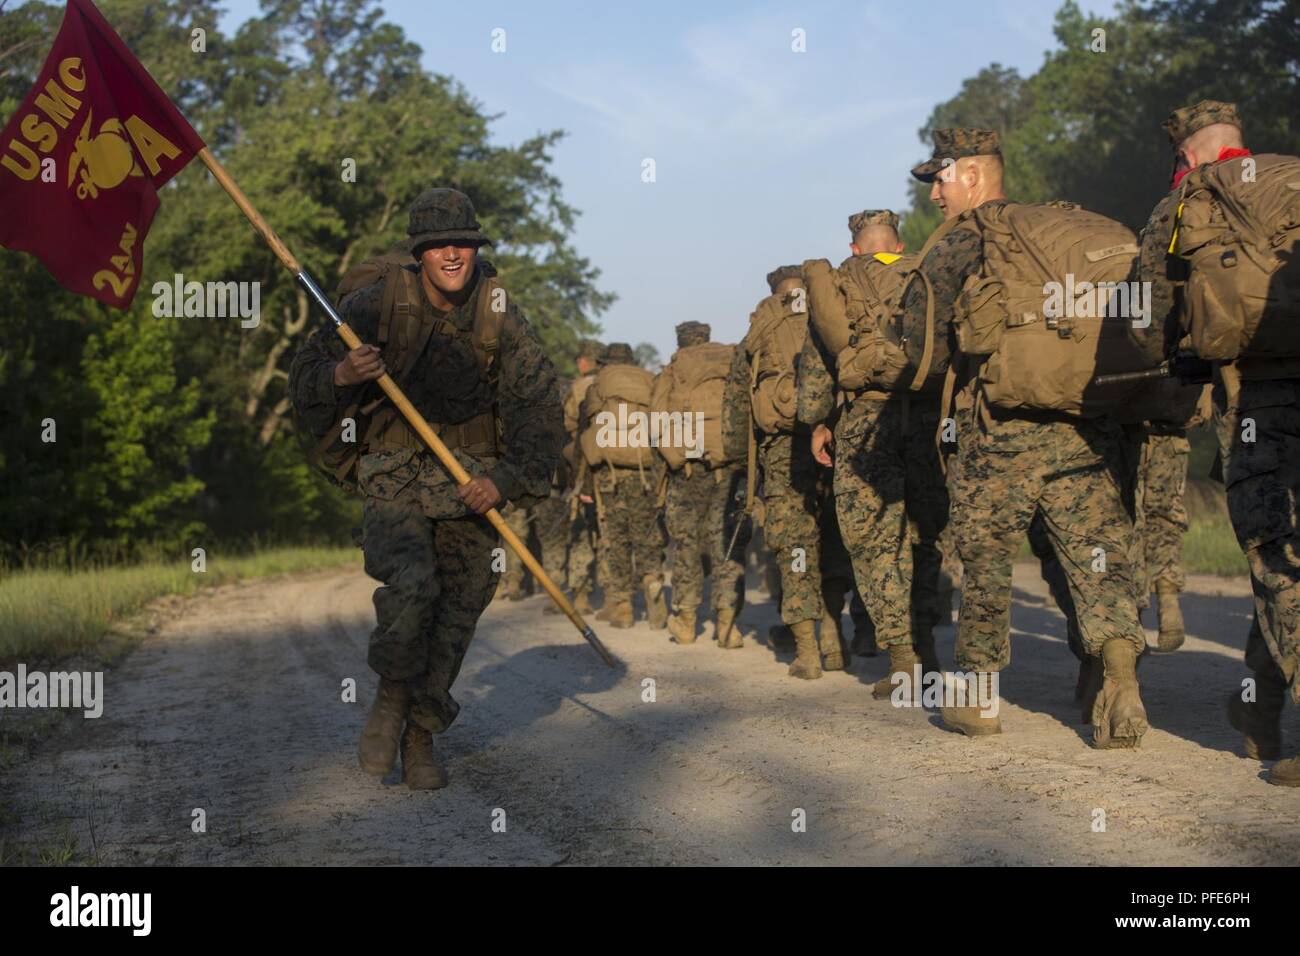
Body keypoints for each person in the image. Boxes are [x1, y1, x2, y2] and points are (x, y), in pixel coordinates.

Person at [289, 187, 563, 789]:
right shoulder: (373, 305)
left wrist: (505, 478)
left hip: (470, 485)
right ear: (420, 254)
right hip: (393, 474)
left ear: (475, 248)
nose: (452, 254)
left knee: (458, 610)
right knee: (413, 589)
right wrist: (340, 373)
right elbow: (302, 379)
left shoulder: (498, 311)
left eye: (463, 243)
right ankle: (391, 695)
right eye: (438, 245)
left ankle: (419, 737)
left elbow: (542, 406)